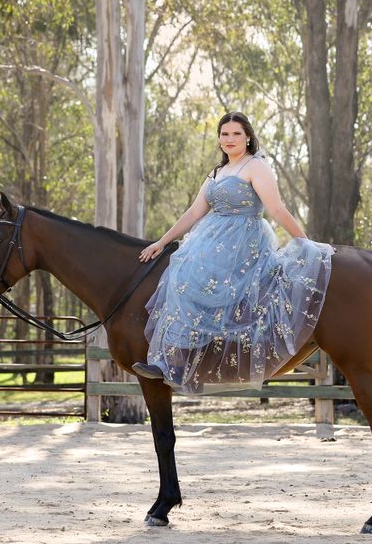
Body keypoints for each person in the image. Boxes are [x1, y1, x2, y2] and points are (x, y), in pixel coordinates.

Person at [132, 111, 334, 394]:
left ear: (248, 137)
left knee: (199, 282)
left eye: (236, 134)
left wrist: (303, 240)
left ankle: (205, 355)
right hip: (209, 238)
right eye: (224, 134)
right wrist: (162, 242)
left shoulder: (256, 166)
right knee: (179, 274)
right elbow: (194, 212)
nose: (230, 139)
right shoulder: (216, 172)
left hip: (244, 240)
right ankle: (173, 362)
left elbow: (276, 208)